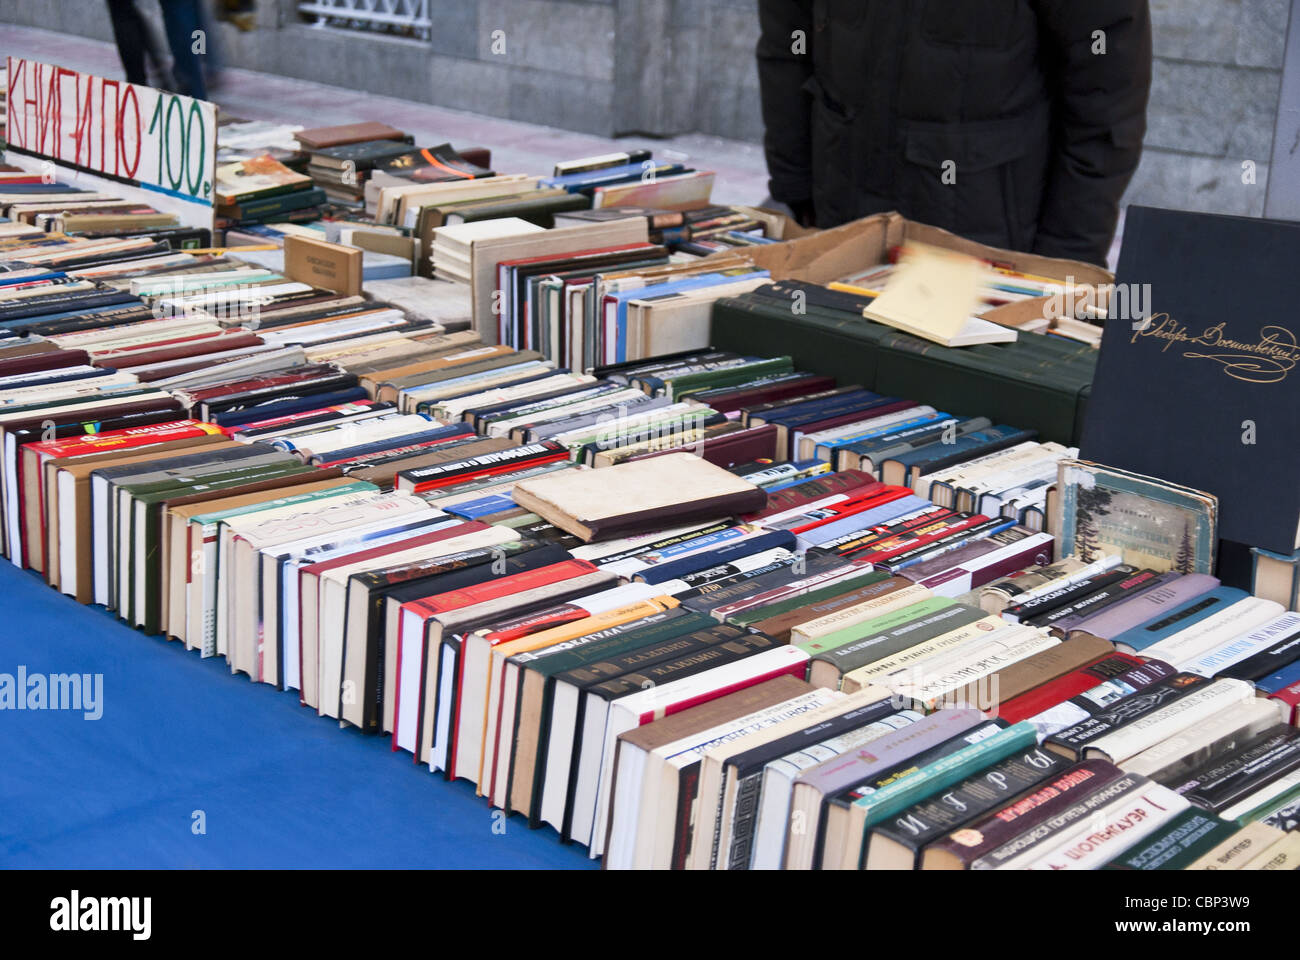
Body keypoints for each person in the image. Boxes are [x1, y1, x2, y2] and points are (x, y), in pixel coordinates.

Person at [756, 0, 1152, 267]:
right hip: (838, 223)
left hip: (987, 247)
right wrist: (793, 187)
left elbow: (1107, 102)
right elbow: (787, 45)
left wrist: (1067, 259)